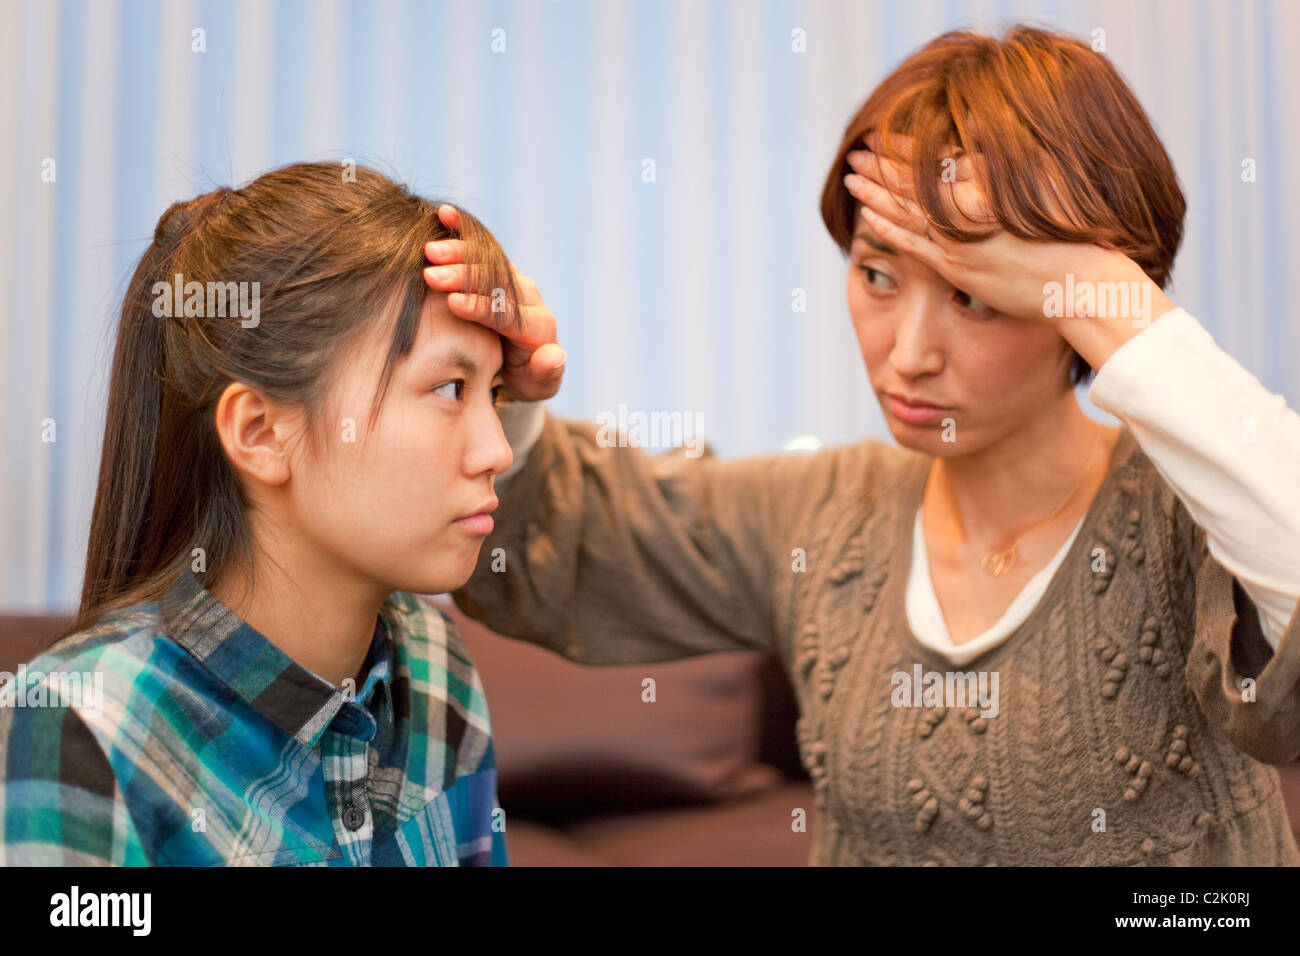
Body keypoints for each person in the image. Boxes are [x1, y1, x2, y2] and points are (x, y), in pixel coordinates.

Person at [431, 25, 1300, 865]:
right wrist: (496, 379)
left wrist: (1112, 290)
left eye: (974, 294)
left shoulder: (1183, 518)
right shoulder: (825, 512)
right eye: (877, 274)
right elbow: (559, 531)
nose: (907, 353)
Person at [0, 163, 519, 865]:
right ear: (260, 432)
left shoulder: (434, 668)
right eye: (451, 387)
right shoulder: (78, 731)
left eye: (497, 395)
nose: (497, 451)